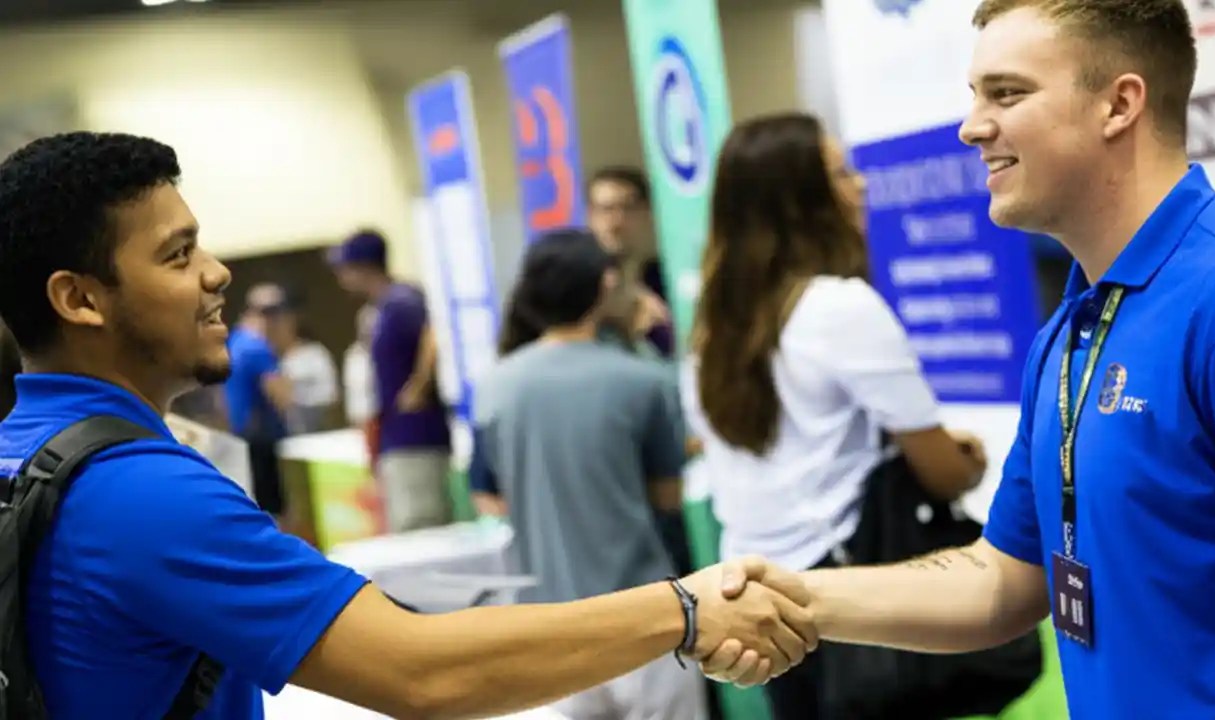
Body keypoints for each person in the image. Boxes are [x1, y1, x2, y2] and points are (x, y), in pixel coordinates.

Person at [0, 131, 819, 720]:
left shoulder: (24, 453)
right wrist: (681, 609)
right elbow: (422, 675)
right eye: (177, 256)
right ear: (78, 298)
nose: (216, 273)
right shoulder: (141, 494)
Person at [702, 2, 1215, 717]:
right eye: (975, 96)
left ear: (1119, 105)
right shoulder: (1072, 331)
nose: (972, 126)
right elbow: (1002, 578)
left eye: (1006, 93)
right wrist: (798, 596)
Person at [682, 111, 987, 720]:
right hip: (848, 597)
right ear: (797, 201)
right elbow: (943, 473)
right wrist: (970, 456)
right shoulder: (839, 309)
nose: (860, 185)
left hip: (757, 595)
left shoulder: (711, 330)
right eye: (838, 172)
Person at [472, 228, 706, 719]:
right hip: (645, 615)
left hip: (548, 623)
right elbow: (667, 496)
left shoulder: (497, 386)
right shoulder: (641, 380)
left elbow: (488, 495)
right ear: (606, 284)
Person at [328, 230, 453, 531]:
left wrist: (419, 386)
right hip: (396, 436)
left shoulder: (402, 301)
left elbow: (433, 336)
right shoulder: (382, 308)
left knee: (421, 527)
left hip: (414, 437)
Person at [587, 166, 674, 358]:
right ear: (590, 217)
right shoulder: (580, 286)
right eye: (606, 209)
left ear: (647, 213)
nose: (616, 222)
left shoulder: (668, 279)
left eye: (627, 208)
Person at [223, 282, 291, 515]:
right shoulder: (257, 347)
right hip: (263, 439)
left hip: (241, 435)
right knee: (276, 508)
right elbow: (280, 395)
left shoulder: (235, 340)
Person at [261, 296, 339, 434]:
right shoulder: (269, 360)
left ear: (291, 322)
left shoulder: (314, 354)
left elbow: (331, 396)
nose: (273, 328)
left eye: (278, 321)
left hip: (314, 437)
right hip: (283, 440)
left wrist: (293, 397)